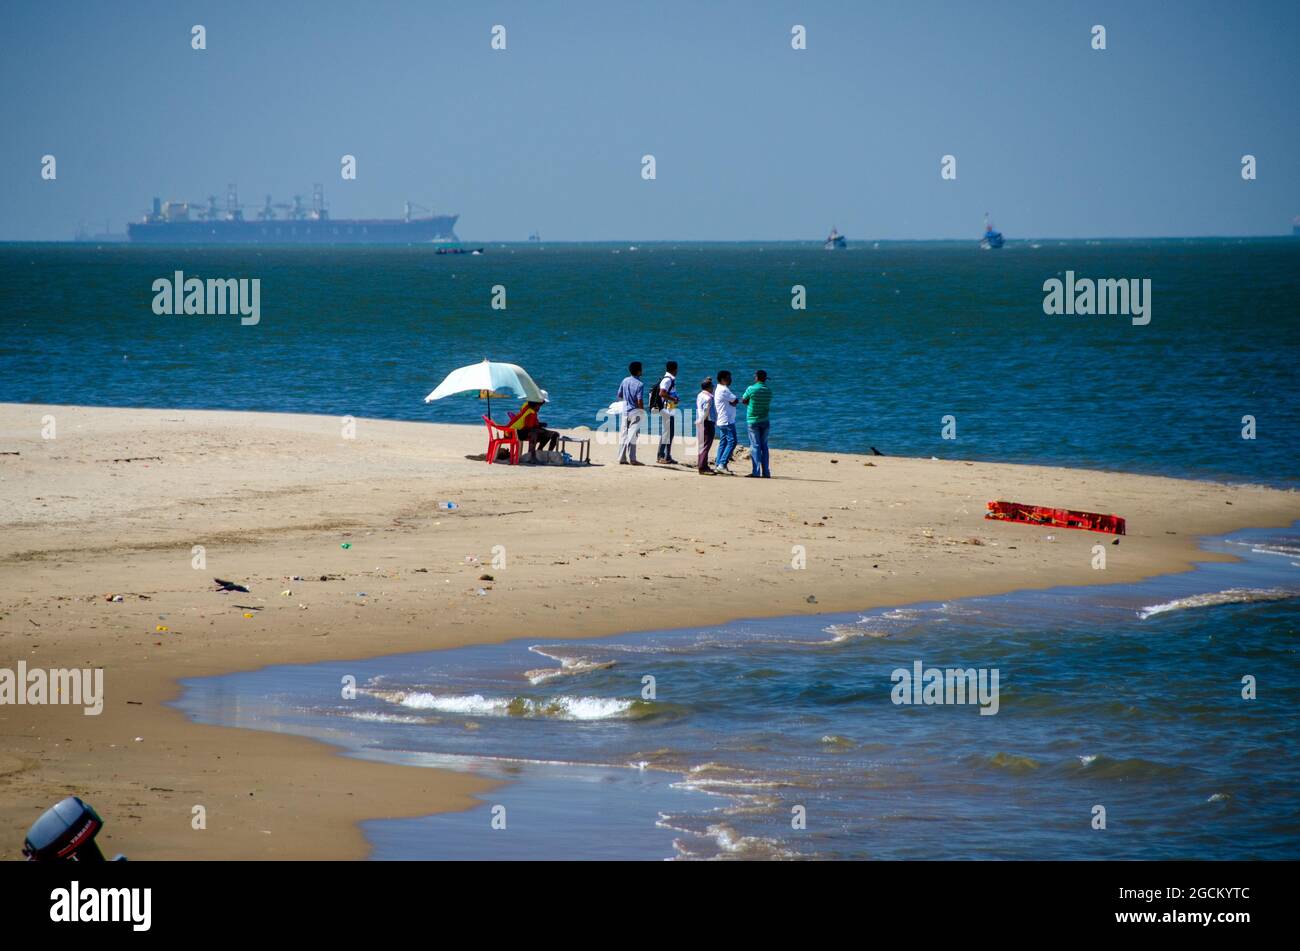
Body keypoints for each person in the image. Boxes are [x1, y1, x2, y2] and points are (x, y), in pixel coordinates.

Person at [506, 391, 559, 463]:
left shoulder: (526, 406)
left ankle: (540, 452)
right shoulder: (531, 412)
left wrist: (539, 425)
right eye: (541, 404)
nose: (541, 406)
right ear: (538, 403)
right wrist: (539, 426)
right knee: (537, 433)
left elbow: (529, 423)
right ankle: (533, 456)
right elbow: (528, 427)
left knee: (546, 433)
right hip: (516, 433)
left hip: (511, 431)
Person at [741, 369, 773, 478]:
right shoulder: (768, 390)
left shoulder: (751, 389)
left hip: (753, 420)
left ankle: (756, 472)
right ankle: (766, 472)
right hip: (765, 420)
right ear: (765, 379)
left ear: (756, 378)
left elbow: (744, 400)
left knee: (755, 446)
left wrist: (751, 402)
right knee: (764, 446)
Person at [616, 362, 645, 465]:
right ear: (638, 371)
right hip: (635, 412)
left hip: (625, 411)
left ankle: (621, 458)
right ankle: (632, 459)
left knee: (624, 435)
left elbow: (619, 395)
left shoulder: (625, 380)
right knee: (633, 436)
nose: (642, 370)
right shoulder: (640, 384)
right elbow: (639, 400)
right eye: (641, 369)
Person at [712, 369, 739, 474]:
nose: (731, 379)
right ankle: (722, 464)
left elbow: (733, 401)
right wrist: (734, 402)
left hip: (722, 420)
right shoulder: (724, 389)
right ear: (723, 379)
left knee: (723, 442)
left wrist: (733, 402)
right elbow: (735, 400)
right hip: (727, 420)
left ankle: (719, 464)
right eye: (729, 377)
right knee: (732, 441)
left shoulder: (719, 388)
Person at [655, 361, 680, 464]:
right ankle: (660, 456)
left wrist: (674, 399)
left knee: (670, 432)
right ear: (675, 369)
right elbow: (662, 393)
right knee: (667, 432)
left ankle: (667, 456)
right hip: (666, 409)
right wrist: (673, 399)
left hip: (670, 408)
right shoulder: (667, 380)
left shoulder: (670, 379)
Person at [695, 378, 716, 475]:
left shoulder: (700, 395)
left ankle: (703, 465)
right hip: (707, 421)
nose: (713, 388)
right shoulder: (709, 398)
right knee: (706, 445)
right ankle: (702, 467)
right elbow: (706, 411)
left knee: (702, 445)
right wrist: (703, 420)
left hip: (700, 421)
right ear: (708, 387)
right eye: (712, 386)